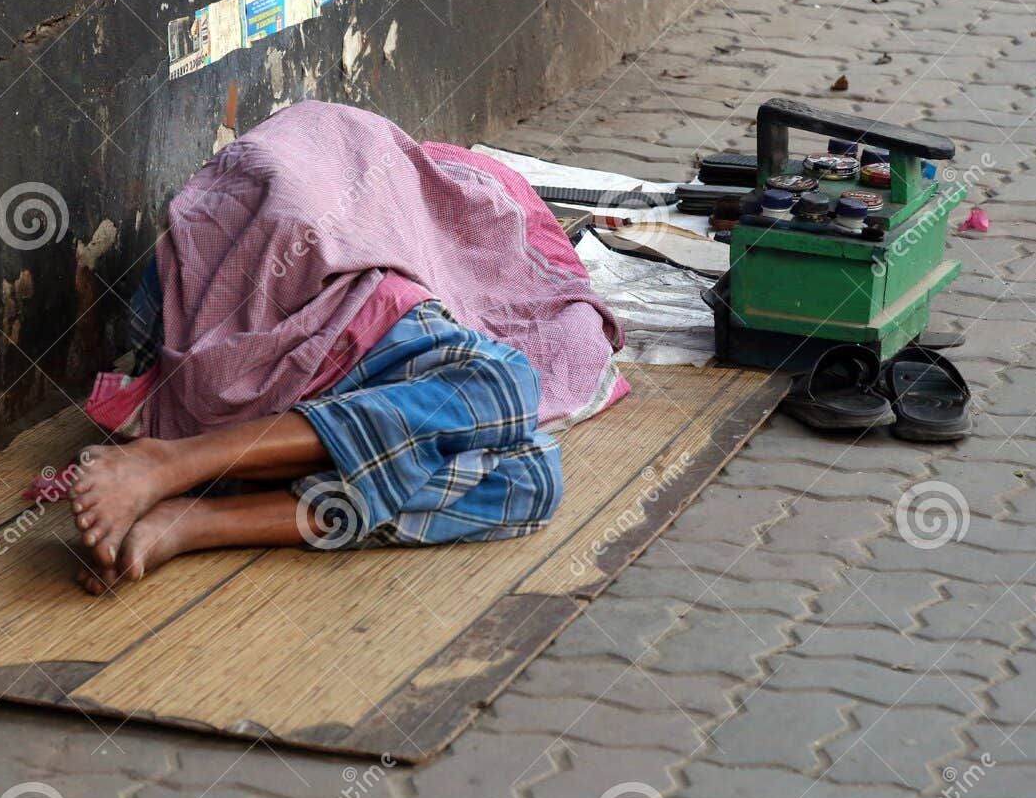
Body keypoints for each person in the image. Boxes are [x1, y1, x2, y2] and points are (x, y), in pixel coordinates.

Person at [67, 101, 627, 593]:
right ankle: (171, 462)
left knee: (530, 480)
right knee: (503, 382)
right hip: (341, 312)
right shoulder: (362, 147)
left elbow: (447, 257)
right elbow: (298, 165)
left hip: (358, 388)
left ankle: (196, 522)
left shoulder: (456, 215)